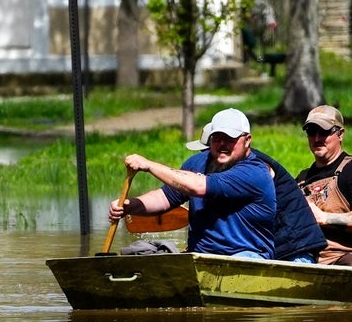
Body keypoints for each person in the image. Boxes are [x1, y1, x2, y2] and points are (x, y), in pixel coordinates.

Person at [109, 108, 276, 259]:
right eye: (217, 138)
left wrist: (149, 165)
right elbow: (165, 197)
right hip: (200, 258)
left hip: (246, 256)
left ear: (247, 140)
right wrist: (129, 206)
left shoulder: (255, 172)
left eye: (229, 139)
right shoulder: (197, 163)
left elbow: (197, 186)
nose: (222, 144)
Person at [187, 122, 326, 263]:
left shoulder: (253, 168)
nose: (204, 159)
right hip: (274, 248)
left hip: (294, 248)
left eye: (205, 153)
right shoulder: (228, 169)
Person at [295, 104, 352, 267]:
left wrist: (324, 218)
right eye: (311, 132)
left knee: (351, 263)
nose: (317, 139)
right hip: (309, 260)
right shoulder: (302, 180)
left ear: (341, 134)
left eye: (324, 132)